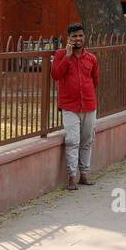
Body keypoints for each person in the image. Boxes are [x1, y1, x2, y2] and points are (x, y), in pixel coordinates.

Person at [51, 23, 99, 190]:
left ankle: (84, 175)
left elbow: (95, 80)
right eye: (74, 36)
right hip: (69, 106)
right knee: (72, 140)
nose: (77, 39)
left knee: (87, 140)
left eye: (80, 36)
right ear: (68, 38)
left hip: (89, 105)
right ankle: (72, 177)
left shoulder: (91, 58)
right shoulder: (60, 55)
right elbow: (56, 75)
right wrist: (68, 56)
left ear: (84, 37)